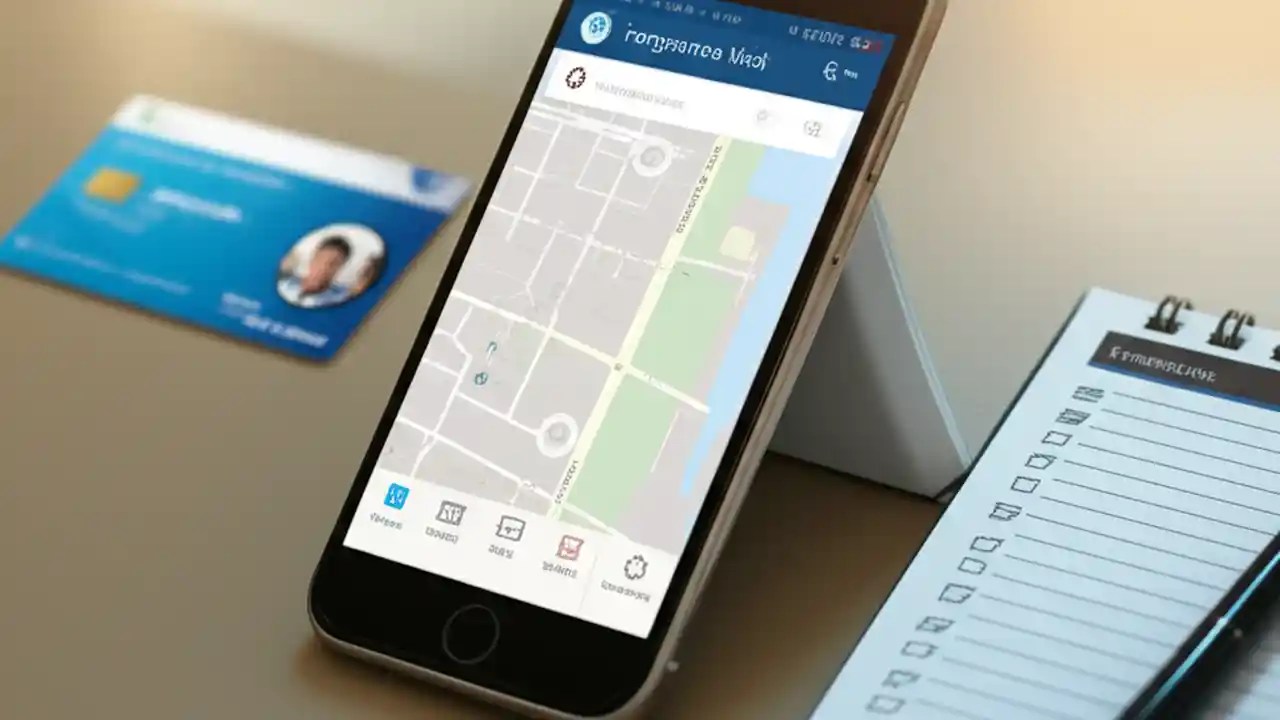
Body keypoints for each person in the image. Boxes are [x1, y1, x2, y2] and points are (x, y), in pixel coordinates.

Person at [278, 236, 352, 308]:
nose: (324, 268)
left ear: (340, 267)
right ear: (312, 260)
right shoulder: (285, 282)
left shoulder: (340, 297)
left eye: (333, 263)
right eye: (321, 260)